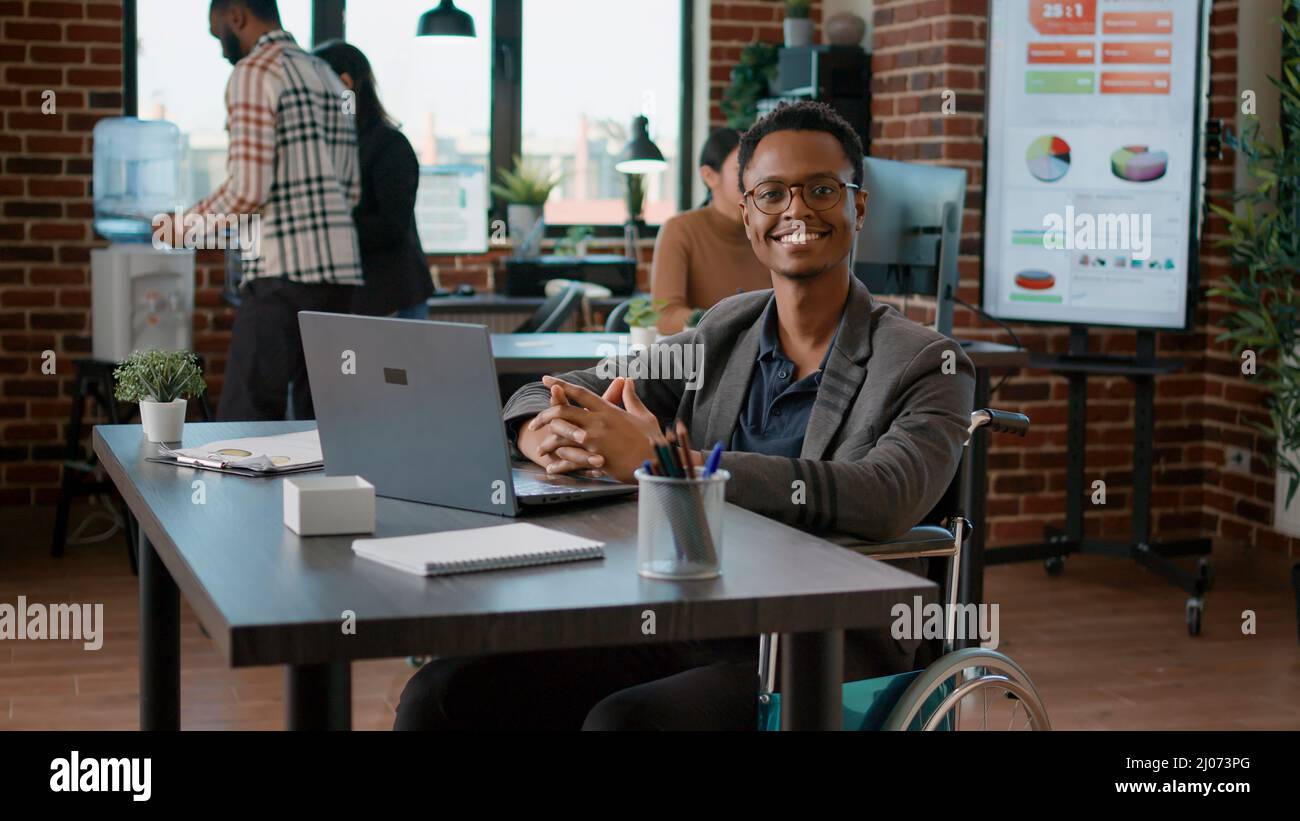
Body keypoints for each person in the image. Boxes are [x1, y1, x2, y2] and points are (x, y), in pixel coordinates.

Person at [393, 102, 976, 731]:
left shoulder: (925, 362)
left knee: (629, 723)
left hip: (818, 640)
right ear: (748, 213)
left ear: (858, 207)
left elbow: (885, 494)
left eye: (823, 191)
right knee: (443, 694)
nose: (797, 211)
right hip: (694, 614)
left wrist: (675, 469)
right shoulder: (727, 332)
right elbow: (571, 386)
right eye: (772, 193)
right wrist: (543, 428)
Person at [160, 0, 362, 421]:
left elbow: (247, 191)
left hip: (282, 278)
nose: (221, 49)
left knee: (243, 425)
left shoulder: (252, 73)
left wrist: (184, 227)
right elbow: (351, 190)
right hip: (340, 280)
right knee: (326, 427)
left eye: (219, 36)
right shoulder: (327, 76)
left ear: (237, 17)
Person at [313, 41, 434, 320]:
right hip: (360, 298)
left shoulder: (389, 145)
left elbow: (392, 225)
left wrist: (324, 229)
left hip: (391, 299)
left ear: (344, 84)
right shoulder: (334, 146)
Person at [650, 128, 772, 334]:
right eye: (741, 169)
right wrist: (732, 325)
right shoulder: (680, 230)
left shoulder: (772, 228)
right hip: (706, 358)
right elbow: (666, 315)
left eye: (759, 168)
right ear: (709, 176)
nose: (755, 179)